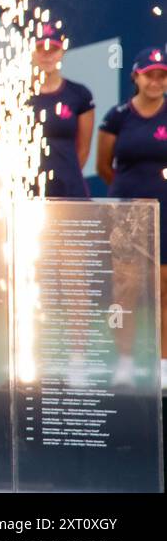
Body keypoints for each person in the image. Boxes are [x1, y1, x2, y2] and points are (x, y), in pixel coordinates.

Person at [97, 45, 167, 387]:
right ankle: (124, 362)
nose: (156, 81)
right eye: (149, 74)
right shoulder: (117, 115)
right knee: (125, 287)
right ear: (136, 77)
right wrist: (130, 198)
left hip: (165, 213)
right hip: (125, 213)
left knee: (165, 288)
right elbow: (102, 165)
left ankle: (164, 364)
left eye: (162, 75)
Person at [29, 20, 94, 197]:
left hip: (69, 188)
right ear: (31, 52)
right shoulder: (15, 94)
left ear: (62, 52)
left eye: (53, 50)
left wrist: (66, 175)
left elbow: (83, 149)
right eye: (41, 49)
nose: (47, 55)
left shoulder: (79, 94)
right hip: (25, 188)